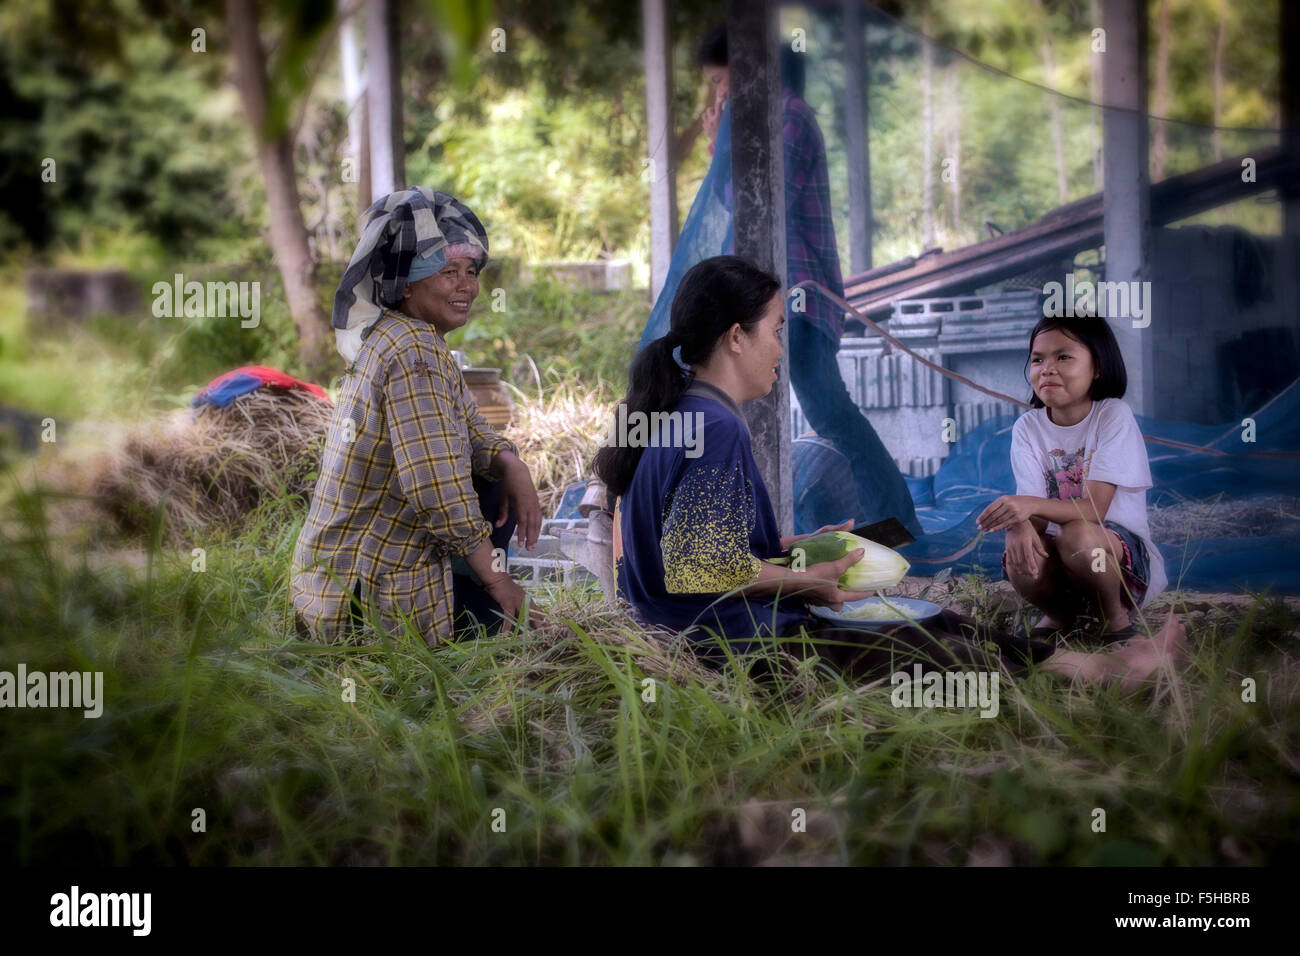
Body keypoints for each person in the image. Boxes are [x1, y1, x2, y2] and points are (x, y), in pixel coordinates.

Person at [598, 256, 1183, 689]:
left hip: (700, 632)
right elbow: (699, 564)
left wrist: (790, 549)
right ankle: (1099, 674)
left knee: (935, 618)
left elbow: (690, 552)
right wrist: (813, 579)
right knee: (926, 646)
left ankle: (1087, 658)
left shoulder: (680, 417)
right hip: (735, 646)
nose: (782, 347)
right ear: (734, 337)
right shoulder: (716, 426)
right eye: (776, 330)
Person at [693, 25, 922, 537]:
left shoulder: (787, 118)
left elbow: (758, 207)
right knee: (802, 411)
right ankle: (783, 527)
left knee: (831, 414)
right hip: (776, 299)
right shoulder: (765, 119)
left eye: (719, 78)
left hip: (800, 297)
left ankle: (896, 522)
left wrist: (716, 146)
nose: (718, 92)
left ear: (745, 66)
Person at [291, 187, 542, 645]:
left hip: (340, 582)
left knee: (488, 479)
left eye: (471, 271)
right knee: (501, 636)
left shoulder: (412, 339)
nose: (466, 286)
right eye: (448, 272)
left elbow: (471, 429)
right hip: (364, 601)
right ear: (407, 285)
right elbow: (435, 488)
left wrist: (510, 463)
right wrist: (498, 580)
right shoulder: (413, 351)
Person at [978, 313, 1171, 644]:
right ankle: (1061, 615)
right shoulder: (1027, 428)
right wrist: (1019, 525)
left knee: (1077, 534)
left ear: (1097, 367)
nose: (1047, 368)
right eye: (1038, 359)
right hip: (1064, 561)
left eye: (1063, 356)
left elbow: (1094, 510)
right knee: (1019, 550)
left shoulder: (1112, 416)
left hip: (1119, 563)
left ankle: (1115, 621)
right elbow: (1032, 511)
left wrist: (1023, 508)